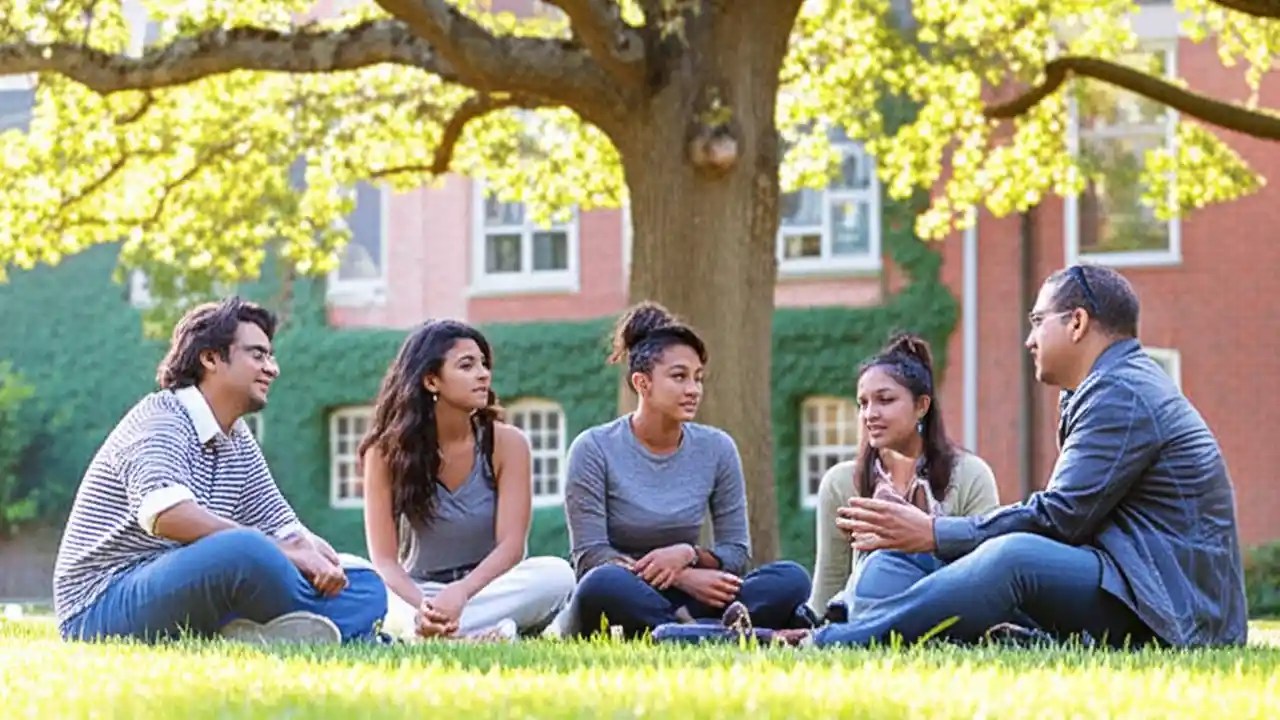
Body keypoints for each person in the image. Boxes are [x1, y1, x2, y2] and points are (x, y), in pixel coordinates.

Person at [657, 264, 1247, 649]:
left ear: (1079, 321)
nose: (1029, 337)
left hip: (1168, 610)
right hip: (1123, 583)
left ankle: (814, 644)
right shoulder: (1101, 388)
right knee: (888, 567)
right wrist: (920, 541)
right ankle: (818, 630)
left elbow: (1060, 520)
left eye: (1037, 321)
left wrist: (935, 532)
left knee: (1012, 557)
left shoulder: (1122, 391)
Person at [53, 297, 387, 644]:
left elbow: (283, 526)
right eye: (257, 355)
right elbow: (166, 515)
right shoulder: (161, 418)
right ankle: (337, 631)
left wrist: (320, 558)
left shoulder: (237, 437)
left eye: (270, 356)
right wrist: (284, 552)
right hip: (100, 603)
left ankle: (276, 632)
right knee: (243, 549)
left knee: (364, 581)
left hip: (187, 590)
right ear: (211, 358)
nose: (272, 368)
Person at [563, 302, 812, 639]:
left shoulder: (717, 448)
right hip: (626, 595)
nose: (693, 389)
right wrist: (680, 576)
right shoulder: (593, 448)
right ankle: (736, 634)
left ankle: (691, 632)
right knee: (601, 584)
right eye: (679, 377)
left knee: (791, 578)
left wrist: (688, 554)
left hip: (694, 598)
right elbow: (592, 557)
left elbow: (736, 552)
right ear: (642, 383)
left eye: (698, 378)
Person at [358, 319, 575, 641]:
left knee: (557, 575)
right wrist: (424, 607)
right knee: (361, 577)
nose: (483, 374)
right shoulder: (385, 452)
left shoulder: (507, 443)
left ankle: (433, 634)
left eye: (484, 364)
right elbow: (386, 562)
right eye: (467, 365)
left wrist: (461, 593)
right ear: (432, 381)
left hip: (488, 587)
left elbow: (512, 547)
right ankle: (475, 631)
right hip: (421, 591)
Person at [808, 333, 999, 621]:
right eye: (863, 403)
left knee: (886, 563)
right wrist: (814, 626)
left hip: (947, 608)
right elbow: (830, 578)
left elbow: (986, 570)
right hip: (864, 604)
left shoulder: (970, 475)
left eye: (884, 400)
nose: (870, 414)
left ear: (922, 406)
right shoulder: (841, 483)